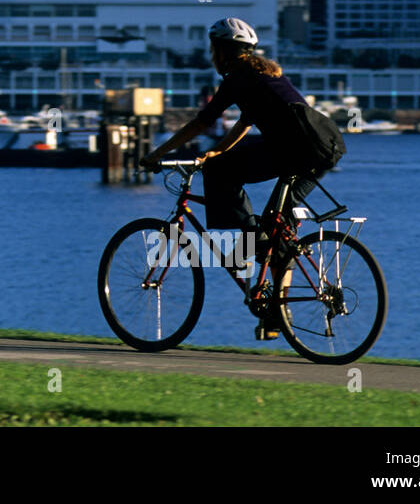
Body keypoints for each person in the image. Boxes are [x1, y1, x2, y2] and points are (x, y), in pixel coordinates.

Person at [140, 17, 338, 340]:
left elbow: (201, 122)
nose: (211, 56)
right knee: (279, 228)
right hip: (323, 149)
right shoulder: (262, 76)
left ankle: (252, 239)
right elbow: (246, 122)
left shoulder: (237, 79)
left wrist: (156, 154)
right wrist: (217, 151)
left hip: (296, 151)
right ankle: (277, 312)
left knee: (221, 176)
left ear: (224, 51)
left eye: (213, 50)